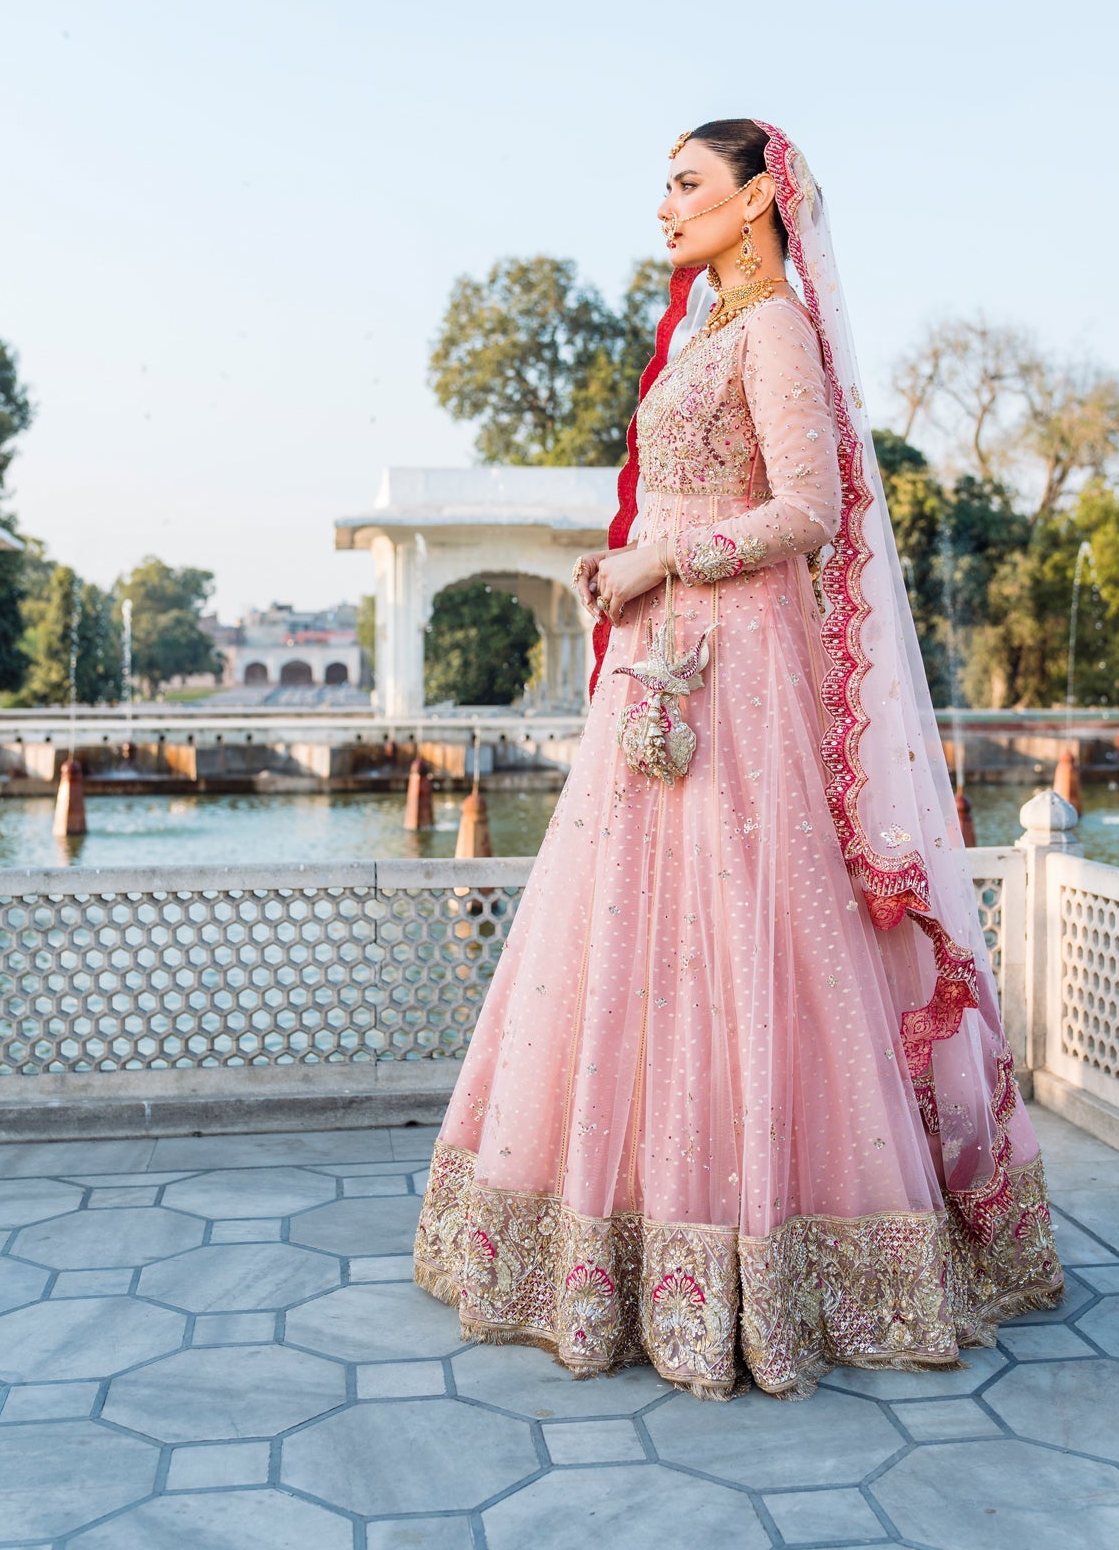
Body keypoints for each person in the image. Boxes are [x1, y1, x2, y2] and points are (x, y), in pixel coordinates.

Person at [413, 118, 1062, 1400]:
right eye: (664, 183)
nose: (666, 205)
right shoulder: (708, 326)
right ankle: (624, 1239)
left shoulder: (772, 330)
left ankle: (787, 1256)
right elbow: (679, 491)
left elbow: (811, 510)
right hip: (661, 658)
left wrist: (669, 559)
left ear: (760, 197)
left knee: (746, 926)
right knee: (632, 939)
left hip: (736, 670)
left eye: (688, 183)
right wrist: (624, 564)